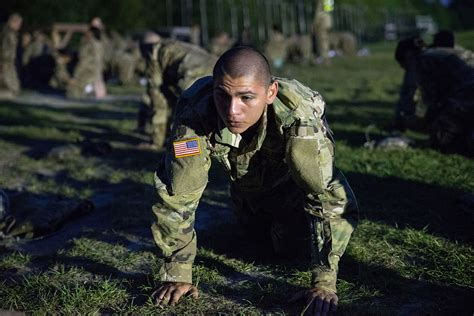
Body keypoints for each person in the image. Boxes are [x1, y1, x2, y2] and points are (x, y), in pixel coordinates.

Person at [149, 47, 358, 314]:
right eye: (222, 96)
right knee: (253, 241)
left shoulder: (299, 117)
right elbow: (178, 192)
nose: (232, 110)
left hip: (291, 191)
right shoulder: (196, 110)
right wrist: (177, 273)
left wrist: (325, 283)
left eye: (246, 97)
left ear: (270, 93)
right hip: (246, 189)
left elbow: (326, 195)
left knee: (289, 250)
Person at [395, 37, 474, 155]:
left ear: (408, 55)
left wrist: (408, 121)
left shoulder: (422, 60)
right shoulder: (443, 52)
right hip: (467, 93)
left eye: (403, 65)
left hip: (468, 95)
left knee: (442, 138)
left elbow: (434, 102)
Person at [137, 33, 217, 148]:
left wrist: (156, 142)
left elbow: (158, 100)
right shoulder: (176, 45)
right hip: (216, 68)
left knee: (190, 117)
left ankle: (189, 149)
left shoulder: (154, 51)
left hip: (193, 75)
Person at [66, 26, 106, 99]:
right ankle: (89, 92)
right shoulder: (99, 44)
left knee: (72, 92)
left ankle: (87, 93)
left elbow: (83, 61)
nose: (85, 33)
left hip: (87, 72)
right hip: (95, 72)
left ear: (91, 33)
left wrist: (75, 76)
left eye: (88, 32)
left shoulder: (89, 44)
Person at [0, 13, 23, 97]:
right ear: (13, 22)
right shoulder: (8, 33)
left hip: (8, 63)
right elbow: (4, 49)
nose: (19, 26)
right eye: (18, 23)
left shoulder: (9, 32)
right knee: (12, 90)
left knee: (14, 89)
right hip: (6, 63)